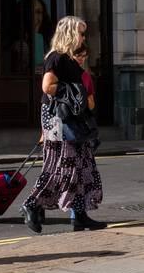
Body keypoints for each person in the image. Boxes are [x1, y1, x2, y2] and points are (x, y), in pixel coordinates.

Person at [21, 16, 106, 233]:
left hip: (72, 119)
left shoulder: (69, 60)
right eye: (80, 32)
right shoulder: (56, 58)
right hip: (58, 119)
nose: (83, 37)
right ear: (69, 33)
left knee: (82, 165)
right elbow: (47, 87)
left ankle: (80, 216)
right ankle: (31, 204)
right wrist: (72, 93)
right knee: (61, 166)